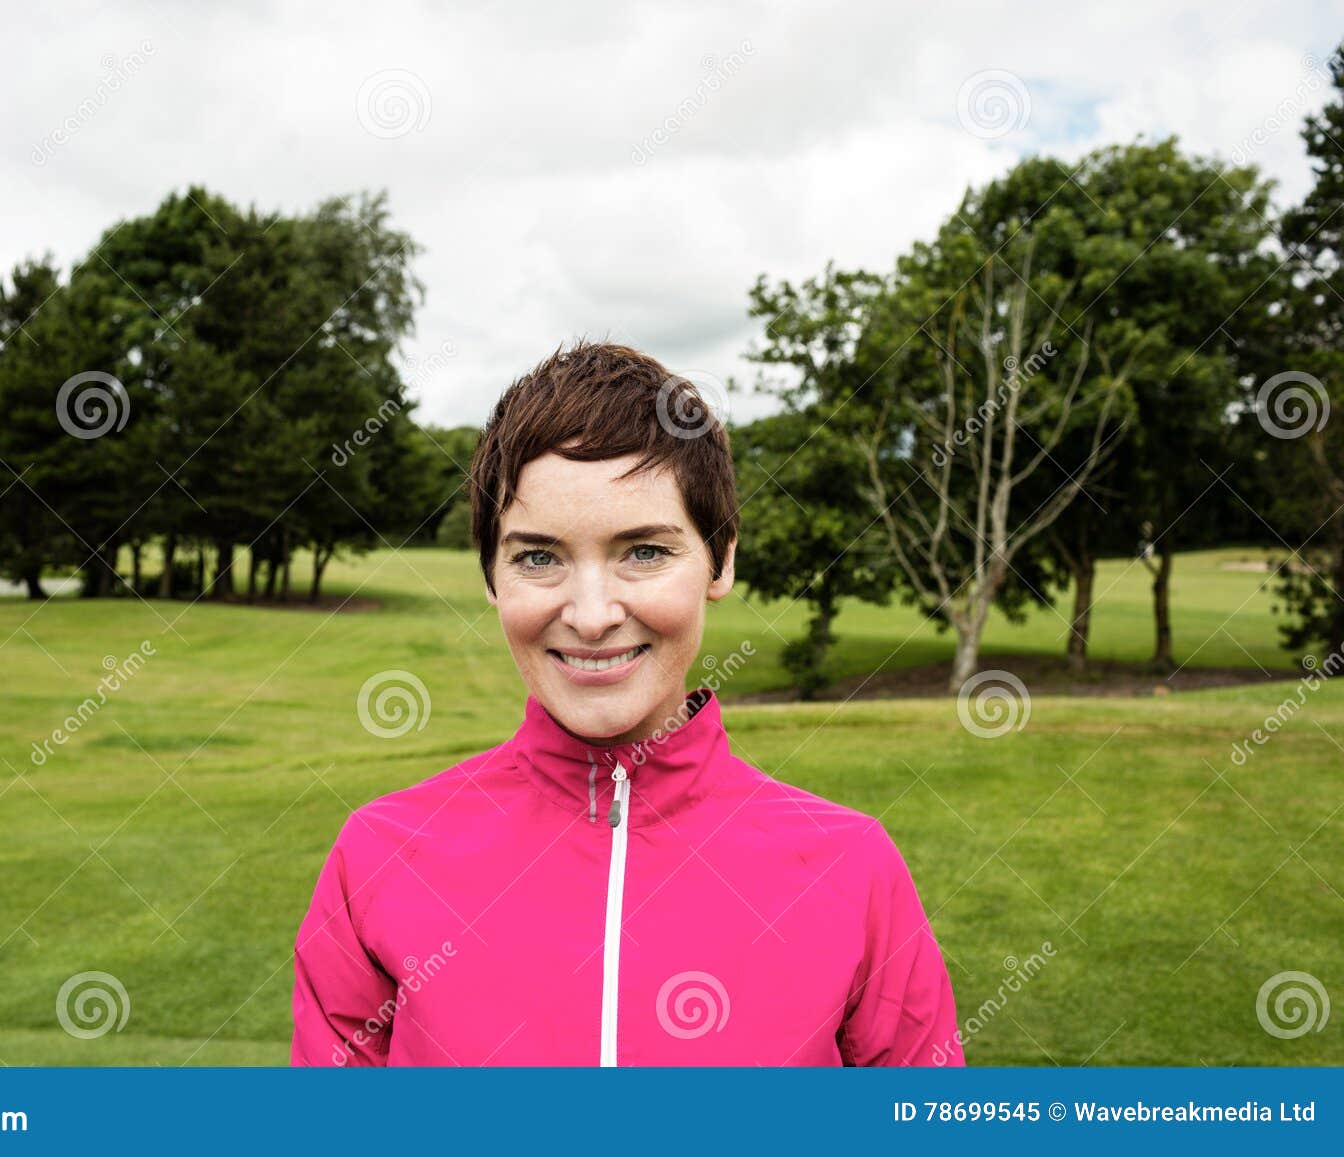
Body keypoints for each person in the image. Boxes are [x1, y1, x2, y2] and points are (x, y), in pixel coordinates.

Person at [290, 339, 963, 1066]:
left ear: (721, 557)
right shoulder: (380, 856)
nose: (591, 613)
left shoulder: (853, 870)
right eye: (538, 556)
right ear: (491, 575)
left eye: (644, 551)